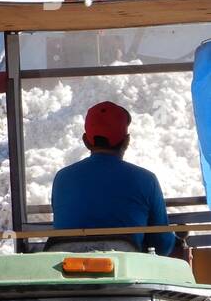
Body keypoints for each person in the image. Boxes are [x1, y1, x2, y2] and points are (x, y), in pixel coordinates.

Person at [50, 101, 176, 256]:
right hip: (127, 274)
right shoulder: (146, 180)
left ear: (85, 141)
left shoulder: (62, 178)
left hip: (68, 272)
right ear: (127, 141)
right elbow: (162, 243)